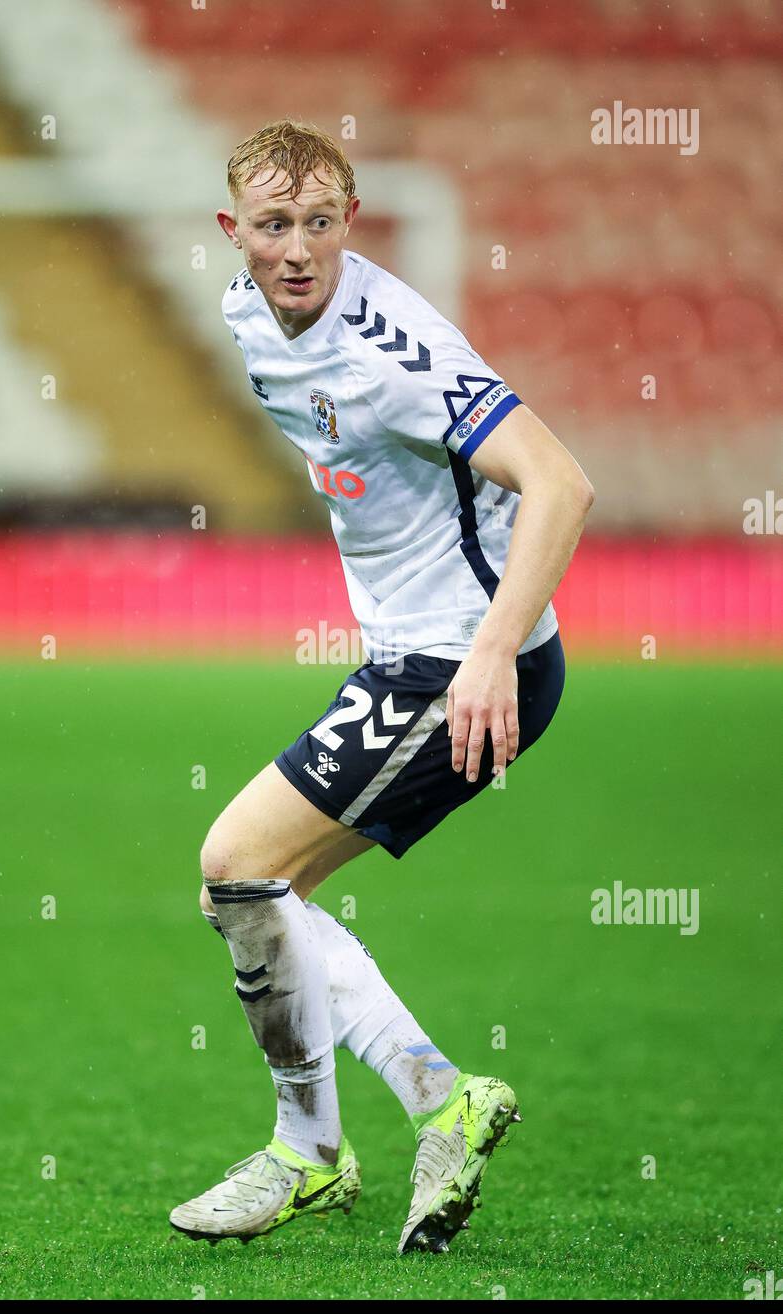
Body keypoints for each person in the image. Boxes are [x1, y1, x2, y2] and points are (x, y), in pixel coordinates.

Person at [169, 119, 594, 1255]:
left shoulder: (393, 353)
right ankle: (425, 1104)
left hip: (462, 663)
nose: (296, 248)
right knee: (250, 898)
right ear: (233, 233)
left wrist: (491, 649)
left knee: (234, 866)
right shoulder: (243, 315)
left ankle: (319, 1148)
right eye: (272, 226)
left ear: (350, 224)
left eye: (319, 223)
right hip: (411, 652)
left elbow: (559, 483)